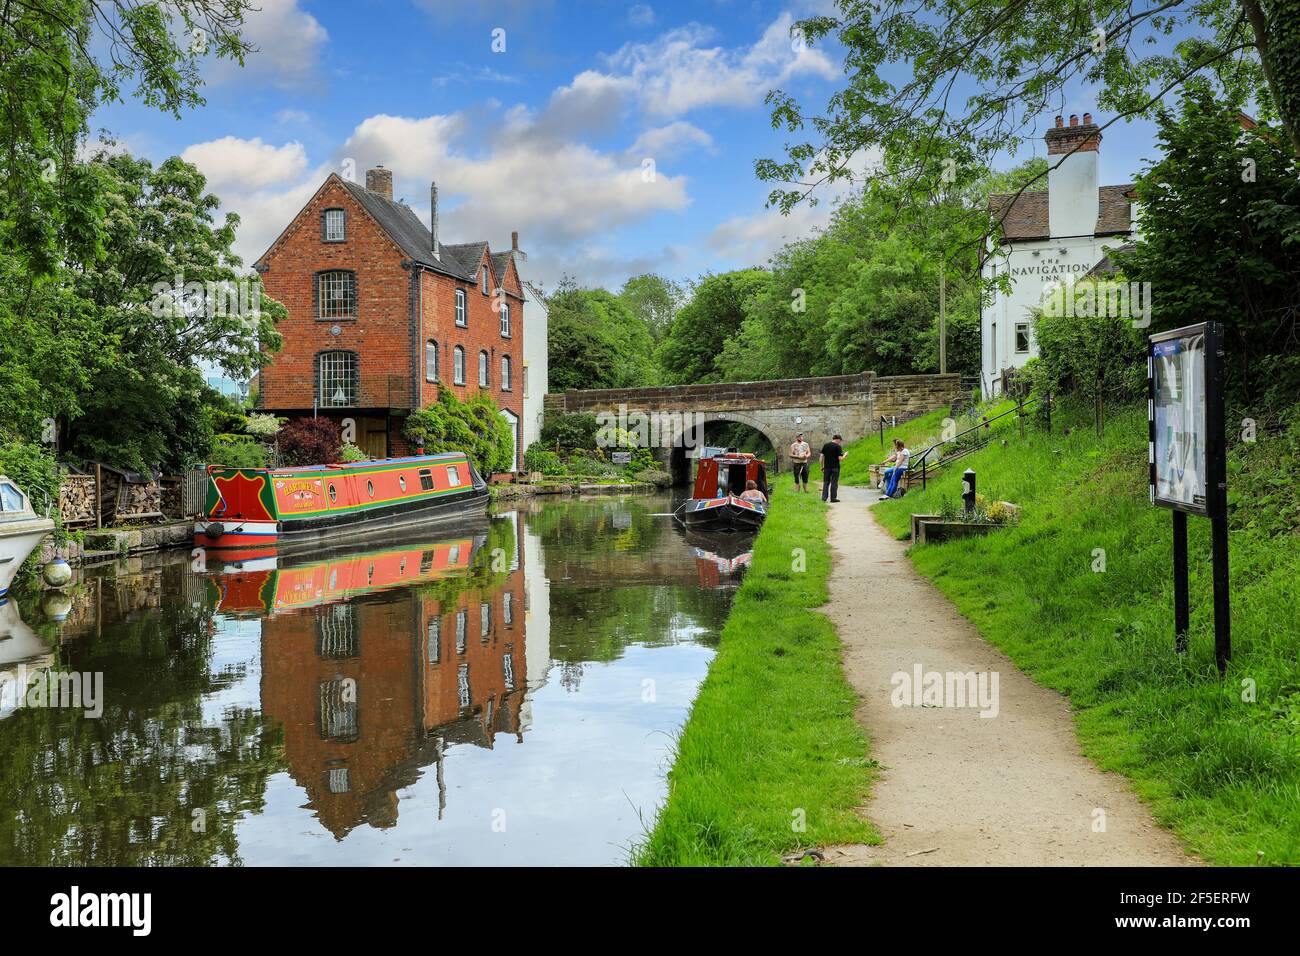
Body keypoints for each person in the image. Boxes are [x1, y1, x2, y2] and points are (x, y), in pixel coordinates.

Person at [819, 434, 846, 502]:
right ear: (837, 439)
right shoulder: (838, 447)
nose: (840, 442)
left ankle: (824, 498)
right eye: (840, 440)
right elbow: (840, 458)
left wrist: (821, 467)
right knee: (834, 482)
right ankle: (833, 498)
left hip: (827, 467)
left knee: (826, 482)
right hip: (835, 468)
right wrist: (845, 455)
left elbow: (821, 457)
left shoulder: (826, 445)